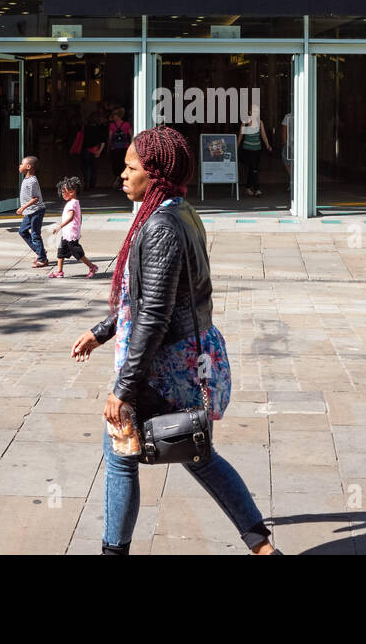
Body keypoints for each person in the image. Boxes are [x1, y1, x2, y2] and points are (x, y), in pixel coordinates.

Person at [70, 125, 278, 556]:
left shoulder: (161, 225)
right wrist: (101, 331)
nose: (121, 175)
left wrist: (123, 388)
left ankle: (115, 551)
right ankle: (261, 545)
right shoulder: (179, 210)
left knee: (125, 456)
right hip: (181, 355)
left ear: (156, 172)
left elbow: (154, 315)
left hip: (163, 365)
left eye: (130, 167)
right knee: (196, 453)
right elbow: (144, 300)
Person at [49, 176, 99, 279]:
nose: (62, 194)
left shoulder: (73, 203)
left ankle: (92, 267)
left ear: (72, 192)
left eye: (64, 191)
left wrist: (59, 226)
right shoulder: (74, 202)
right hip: (67, 234)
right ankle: (59, 272)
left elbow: (71, 217)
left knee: (78, 254)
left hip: (71, 234)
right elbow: (79, 217)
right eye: (61, 191)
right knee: (61, 252)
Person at [17, 154, 49, 268]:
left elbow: (36, 198)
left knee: (35, 234)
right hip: (30, 212)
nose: (19, 166)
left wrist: (22, 207)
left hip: (36, 211)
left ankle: (42, 259)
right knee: (22, 231)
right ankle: (40, 252)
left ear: (29, 167)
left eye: (22, 164)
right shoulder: (26, 179)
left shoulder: (32, 181)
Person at [238, 103, 271, 197]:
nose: (255, 113)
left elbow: (263, 135)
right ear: (249, 112)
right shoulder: (245, 122)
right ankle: (257, 189)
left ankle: (248, 188)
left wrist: (268, 145)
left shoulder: (260, 122)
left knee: (253, 169)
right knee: (253, 169)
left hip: (257, 149)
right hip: (247, 149)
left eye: (257, 111)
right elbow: (240, 136)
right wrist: (236, 147)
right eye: (254, 111)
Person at [107, 107, 132, 189]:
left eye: (113, 116)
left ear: (117, 116)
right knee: (123, 164)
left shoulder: (112, 125)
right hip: (125, 147)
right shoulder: (126, 124)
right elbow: (131, 135)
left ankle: (117, 179)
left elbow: (110, 137)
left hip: (115, 148)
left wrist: (109, 146)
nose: (112, 118)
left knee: (116, 164)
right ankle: (121, 181)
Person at [81, 112, 106, 190]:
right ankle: (92, 185)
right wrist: (99, 151)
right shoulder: (99, 128)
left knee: (85, 168)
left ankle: (86, 184)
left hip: (85, 150)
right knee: (93, 168)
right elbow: (103, 140)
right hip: (94, 150)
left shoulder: (85, 128)